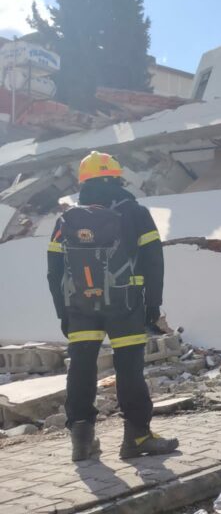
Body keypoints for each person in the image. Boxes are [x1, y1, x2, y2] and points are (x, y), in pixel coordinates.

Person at [47, 151, 179, 462]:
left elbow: (54, 270)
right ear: (117, 179)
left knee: (80, 367)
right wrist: (152, 304)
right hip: (124, 305)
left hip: (79, 307)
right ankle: (137, 437)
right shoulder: (136, 213)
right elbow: (153, 261)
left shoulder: (66, 219)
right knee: (128, 368)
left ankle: (81, 440)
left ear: (84, 183)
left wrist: (62, 311)